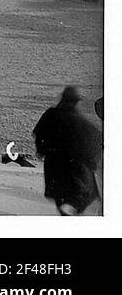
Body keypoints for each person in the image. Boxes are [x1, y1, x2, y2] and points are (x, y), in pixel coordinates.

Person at [33, 86, 102, 215]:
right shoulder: (81, 122)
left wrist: (42, 150)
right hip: (76, 170)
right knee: (80, 198)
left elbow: (39, 135)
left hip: (53, 167)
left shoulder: (51, 114)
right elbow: (94, 142)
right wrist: (92, 163)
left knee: (62, 199)